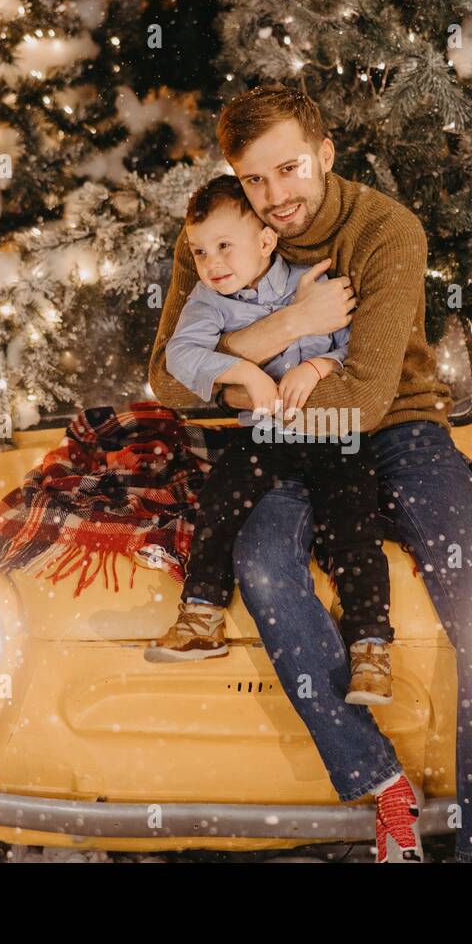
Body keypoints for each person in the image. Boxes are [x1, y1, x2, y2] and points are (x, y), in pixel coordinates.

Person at [148, 84, 472, 863]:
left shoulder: (386, 229)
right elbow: (168, 378)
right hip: (274, 435)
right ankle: (380, 780)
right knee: (258, 561)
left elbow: (363, 393)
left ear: (325, 154)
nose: (275, 197)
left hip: (395, 428)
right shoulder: (225, 230)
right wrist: (288, 326)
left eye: (289, 169)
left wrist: (244, 369)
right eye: (255, 179)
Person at [145, 174, 396, 707]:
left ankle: (371, 646)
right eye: (199, 250)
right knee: (221, 497)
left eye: (223, 246)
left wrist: (319, 365)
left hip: (333, 431)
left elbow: (359, 347)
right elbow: (179, 359)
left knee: (353, 519)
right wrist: (246, 374)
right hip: (268, 433)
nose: (211, 263)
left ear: (266, 240)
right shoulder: (207, 303)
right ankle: (202, 612)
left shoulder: (316, 280)